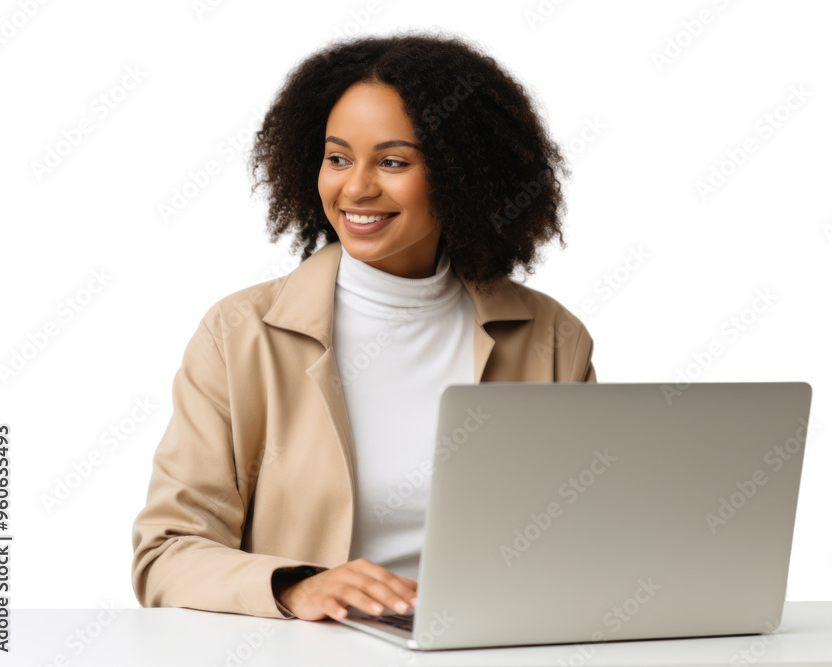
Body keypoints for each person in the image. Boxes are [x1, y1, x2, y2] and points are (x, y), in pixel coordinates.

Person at [130, 30, 597, 623]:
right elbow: (165, 555)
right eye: (338, 158)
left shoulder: (550, 338)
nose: (356, 187)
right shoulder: (238, 335)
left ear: (462, 175)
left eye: (393, 161)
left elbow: (586, 543)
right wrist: (299, 587)